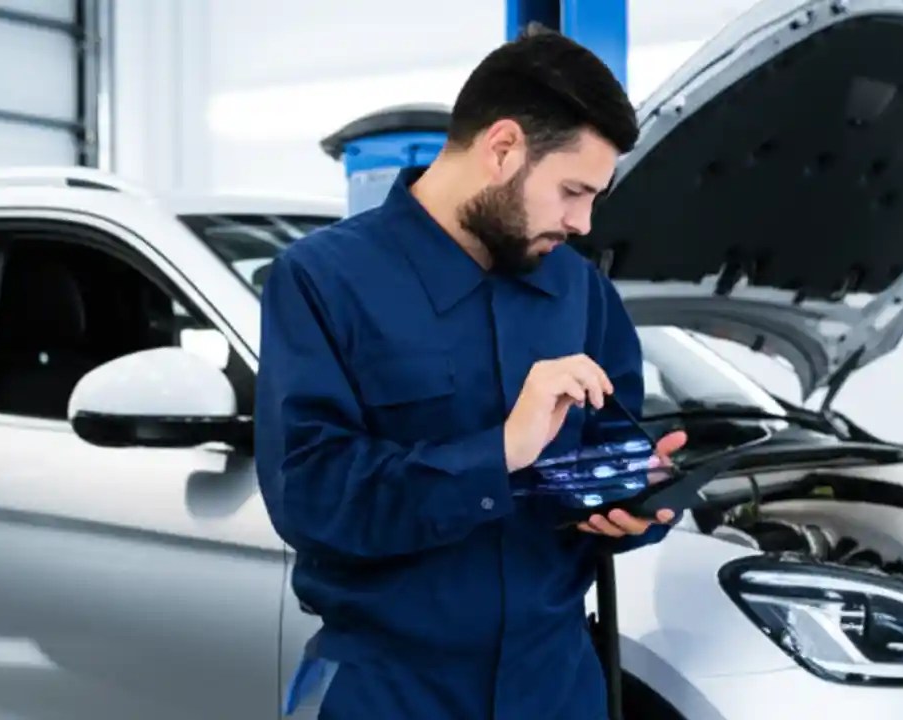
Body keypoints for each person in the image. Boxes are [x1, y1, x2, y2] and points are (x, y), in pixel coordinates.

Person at [253, 24, 687, 720]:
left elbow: (618, 443)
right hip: (390, 689)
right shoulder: (323, 280)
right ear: (503, 147)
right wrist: (501, 452)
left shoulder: (577, 290)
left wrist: (639, 500)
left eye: (594, 200)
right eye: (572, 190)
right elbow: (312, 498)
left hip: (556, 684)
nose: (581, 223)